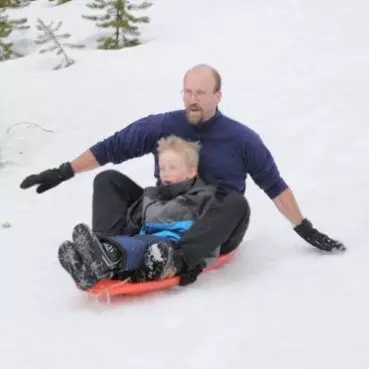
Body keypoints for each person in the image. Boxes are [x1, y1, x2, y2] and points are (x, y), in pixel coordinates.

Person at [20, 64, 346, 287]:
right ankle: (107, 253)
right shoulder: (162, 125)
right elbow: (111, 148)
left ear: (218, 96)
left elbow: (275, 186)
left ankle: (176, 260)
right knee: (107, 181)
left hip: (213, 223)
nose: (192, 99)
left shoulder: (242, 139)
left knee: (235, 202)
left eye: (201, 93)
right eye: (187, 92)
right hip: (164, 213)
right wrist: (62, 171)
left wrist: (304, 228)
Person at [57, 136, 217, 290]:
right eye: (162, 168)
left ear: (191, 171)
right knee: (135, 241)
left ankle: (107, 256)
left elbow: (212, 237)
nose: (165, 173)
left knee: (142, 244)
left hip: (171, 247)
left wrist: (196, 265)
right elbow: (131, 222)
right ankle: (89, 265)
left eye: (172, 168)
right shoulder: (152, 196)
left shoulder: (203, 198)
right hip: (142, 241)